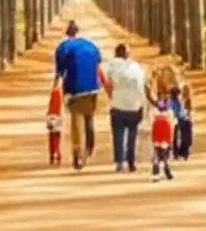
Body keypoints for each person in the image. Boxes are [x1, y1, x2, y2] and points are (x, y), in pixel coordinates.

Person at [54, 20, 103, 170]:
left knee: (76, 122)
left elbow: (60, 72)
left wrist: (55, 88)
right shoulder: (91, 46)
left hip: (75, 89)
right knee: (89, 117)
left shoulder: (63, 48)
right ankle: (89, 146)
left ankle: (77, 154)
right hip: (93, 88)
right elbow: (98, 65)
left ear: (67, 33)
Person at [103, 43, 147, 173]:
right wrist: (142, 103)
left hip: (117, 105)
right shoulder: (136, 68)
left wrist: (111, 96)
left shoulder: (111, 67)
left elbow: (107, 83)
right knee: (132, 134)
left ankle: (119, 162)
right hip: (134, 105)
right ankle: (131, 161)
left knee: (118, 134)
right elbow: (141, 87)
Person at [150, 98, 175, 182]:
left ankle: (155, 173)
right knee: (165, 154)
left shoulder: (154, 112)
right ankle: (167, 171)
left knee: (156, 152)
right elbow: (172, 125)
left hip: (156, 134)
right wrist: (171, 140)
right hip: (166, 135)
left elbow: (151, 123)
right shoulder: (170, 113)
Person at [170, 83, 193, 160]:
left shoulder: (181, 100)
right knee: (182, 137)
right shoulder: (179, 100)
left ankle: (180, 152)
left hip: (180, 119)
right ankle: (182, 152)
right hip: (181, 119)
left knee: (180, 137)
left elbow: (185, 110)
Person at [45, 82, 64, 166]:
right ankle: (57, 153)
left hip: (51, 115)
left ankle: (52, 154)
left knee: (51, 137)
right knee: (56, 137)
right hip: (57, 116)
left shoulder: (54, 93)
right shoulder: (59, 93)